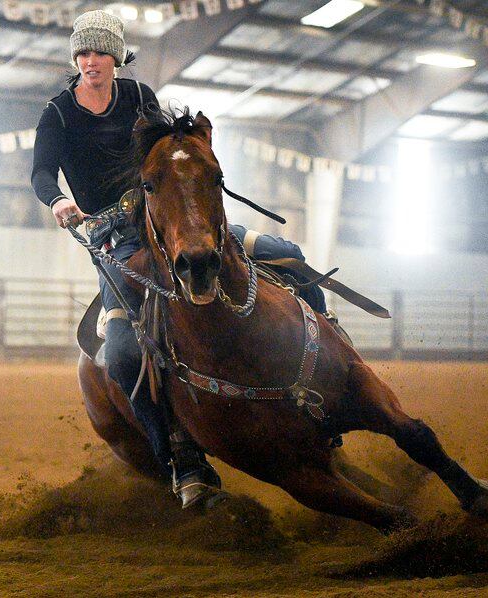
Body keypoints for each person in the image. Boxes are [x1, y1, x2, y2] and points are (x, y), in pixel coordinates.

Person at [31, 10, 330, 509]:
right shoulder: (57, 114)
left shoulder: (140, 98)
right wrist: (58, 200)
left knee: (289, 256)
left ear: (117, 58)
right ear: (75, 59)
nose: (91, 61)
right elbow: (41, 173)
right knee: (124, 353)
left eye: (101, 52)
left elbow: (169, 149)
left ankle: (325, 368)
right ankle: (179, 457)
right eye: (83, 53)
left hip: (169, 221)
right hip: (116, 241)